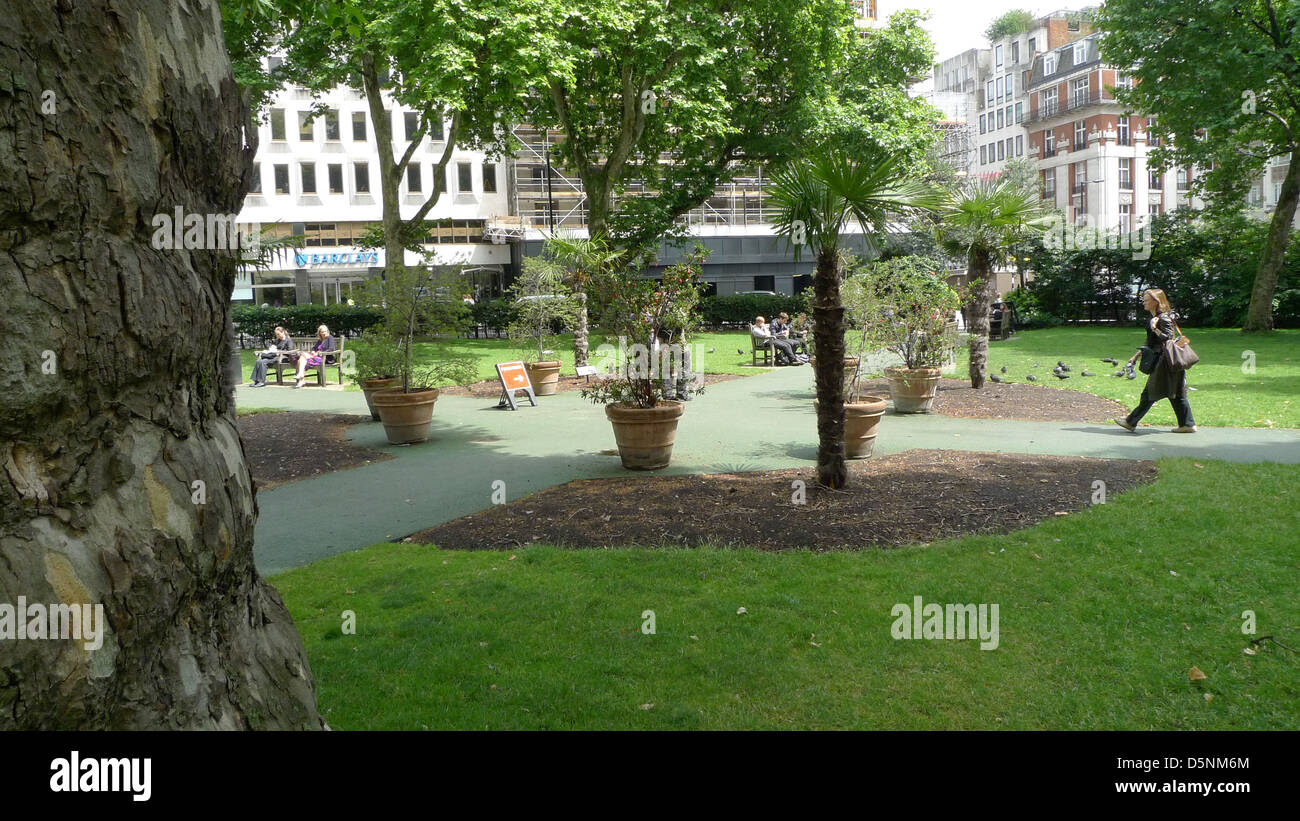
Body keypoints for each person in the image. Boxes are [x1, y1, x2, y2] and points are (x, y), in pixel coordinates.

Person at [1114, 288, 1196, 433]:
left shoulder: (1162, 318)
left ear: (1156, 302)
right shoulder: (1155, 317)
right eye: (1144, 299)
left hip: (1166, 362)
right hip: (1165, 361)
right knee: (1176, 393)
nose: (1144, 302)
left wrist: (1155, 328)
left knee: (1151, 392)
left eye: (1146, 300)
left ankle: (1130, 422)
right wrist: (1136, 356)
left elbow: (1168, 338)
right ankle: (1187, 424)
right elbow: (1150, 342)